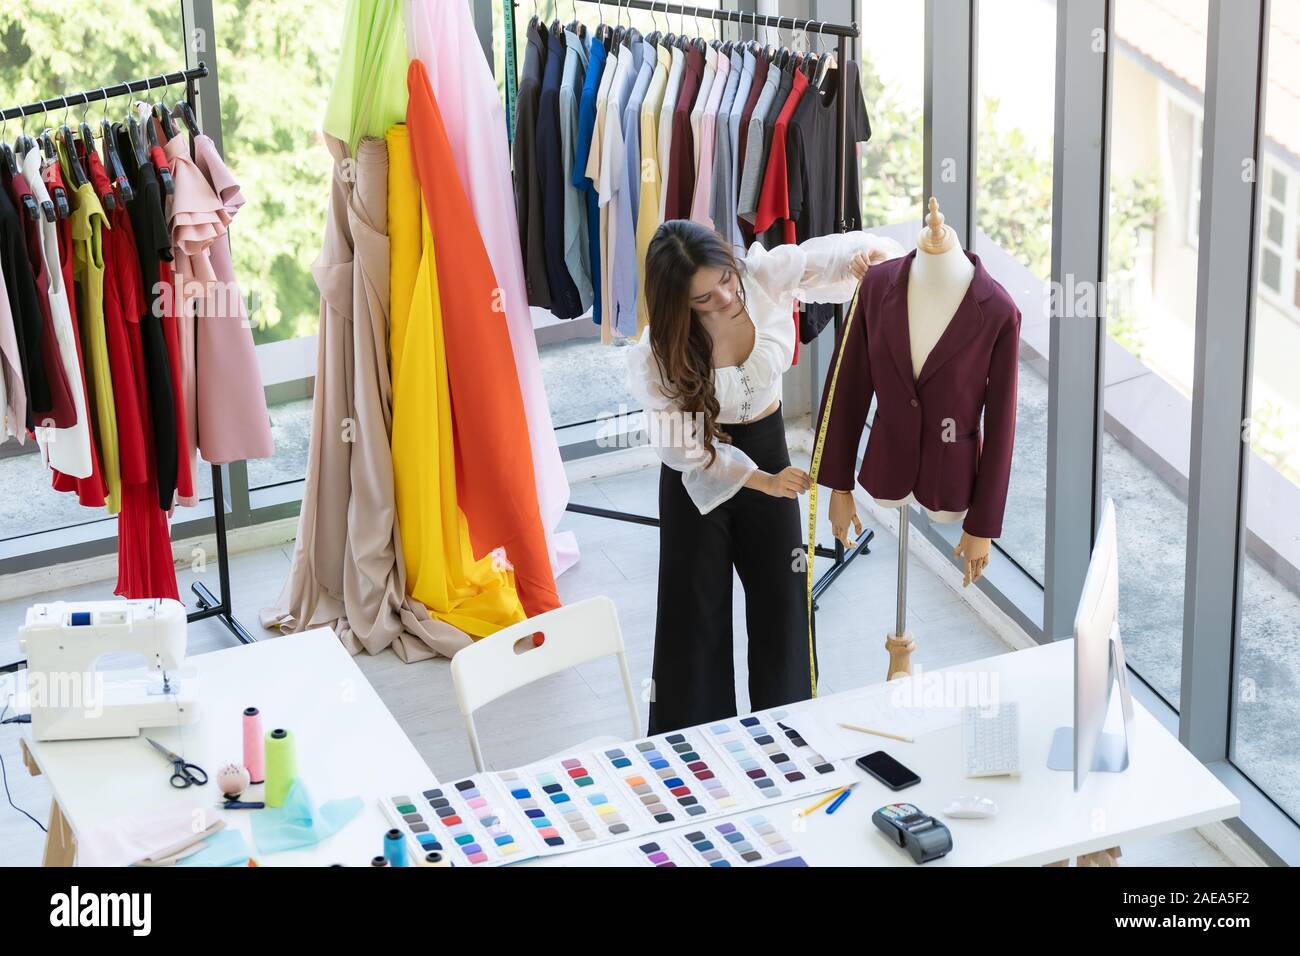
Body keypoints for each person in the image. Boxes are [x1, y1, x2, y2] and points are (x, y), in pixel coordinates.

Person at [628, 219, 901, 733]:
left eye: (725, 281)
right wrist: (766, 483)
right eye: (704, 298)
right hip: (701, 471)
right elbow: (688, 451)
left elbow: (839, 255)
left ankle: (790, 732)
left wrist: (870, 262)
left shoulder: (759, 276)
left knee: (785, 599)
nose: (726, 298)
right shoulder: (658, 354)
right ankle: (695, 750)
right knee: (695, 614)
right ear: (678, 304)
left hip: (768, 445)